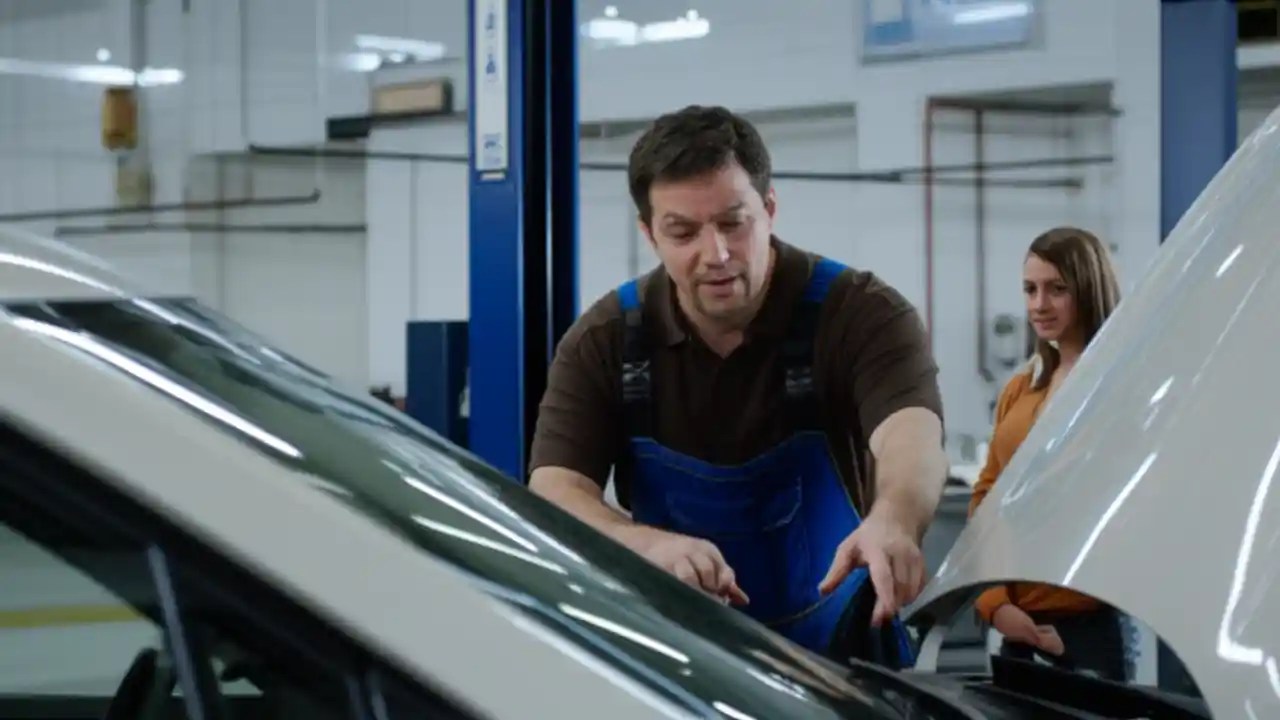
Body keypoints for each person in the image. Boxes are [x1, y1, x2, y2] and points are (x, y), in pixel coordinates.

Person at [527, 104, 949, 666]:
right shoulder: (605, 340)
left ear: (770, 209)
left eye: (733, 222)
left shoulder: (861, 313)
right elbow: (557, 488)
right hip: (681, 659)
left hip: (846, 660)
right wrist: (644, 544)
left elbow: (911, 438)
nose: (717, 255)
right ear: (649, 234)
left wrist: (895, 516)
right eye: (683, 232)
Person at [968, 226, 1126, 679]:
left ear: (1088, 289)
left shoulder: (1118, 388)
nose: (1039, 304)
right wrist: (995, 605)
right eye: (1030, 289)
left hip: (1088, 623)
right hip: (1015, 624)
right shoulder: (1022, 388)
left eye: (1057, 289)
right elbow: (986, 502)